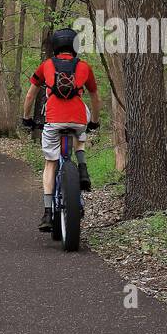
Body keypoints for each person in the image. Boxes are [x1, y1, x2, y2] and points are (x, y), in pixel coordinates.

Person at [21, 26, 100, 232]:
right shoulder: (84, 67)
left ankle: (48, 212)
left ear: (55, 46)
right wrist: (95, 121)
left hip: (54, 120)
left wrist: (27, 118)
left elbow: (30, 95)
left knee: (50, 163)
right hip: (77, 120)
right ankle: (82, 168)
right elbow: (94, 96)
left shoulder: (46, 65)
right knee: (80, 134)